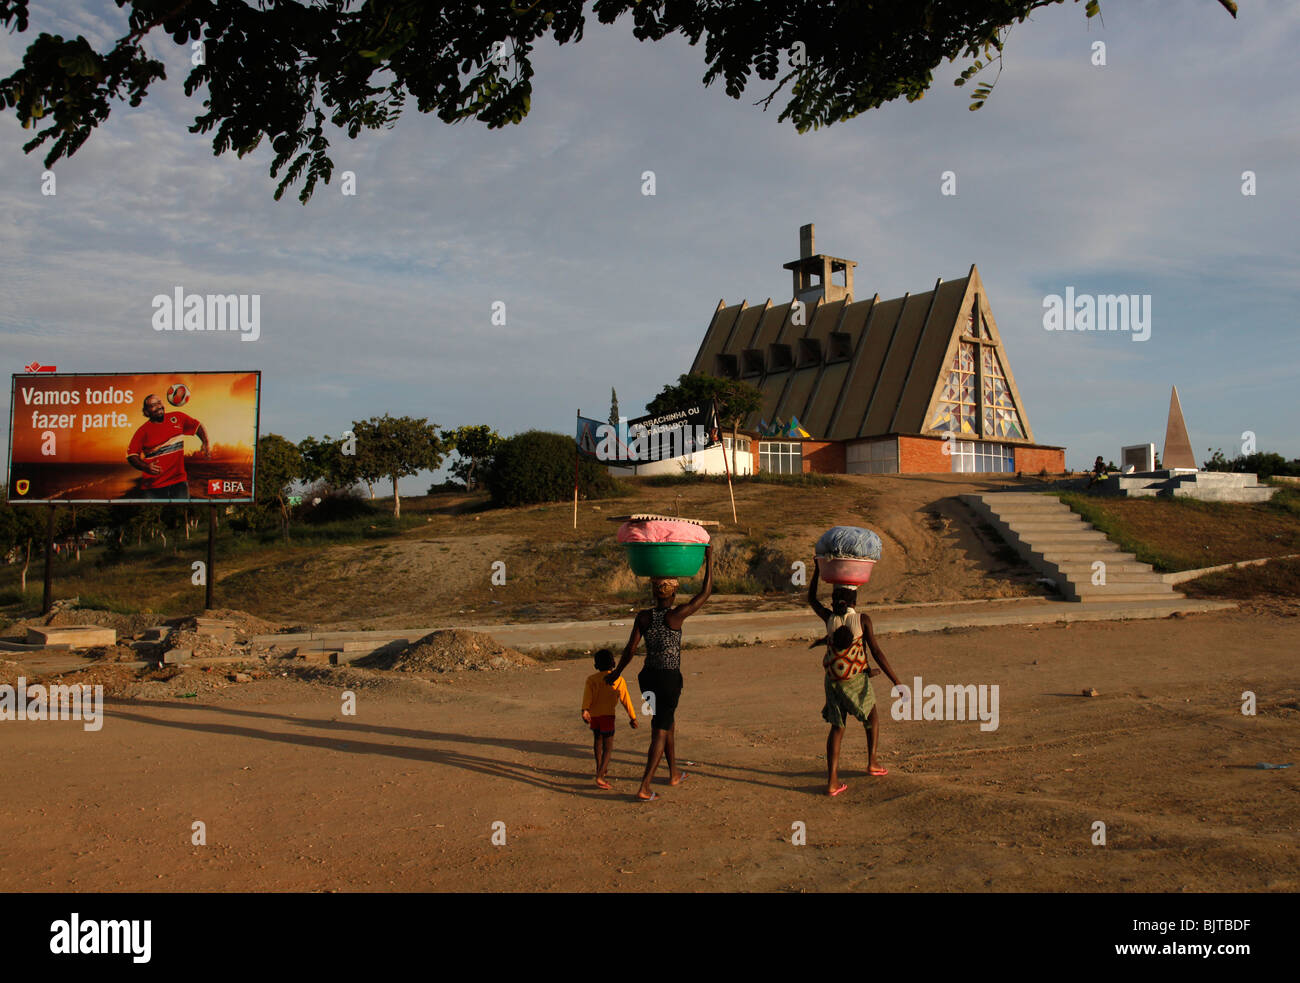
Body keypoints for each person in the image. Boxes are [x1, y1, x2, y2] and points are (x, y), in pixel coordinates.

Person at [607, 543, 713, 801]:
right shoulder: (675, 616)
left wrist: (617, 672)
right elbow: (705, 593)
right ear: (673, 593)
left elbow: (631, 649)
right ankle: (644, 785)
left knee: (667, 721)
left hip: (648, 678)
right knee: (660, 729)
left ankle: (674, 773)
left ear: (654, 592)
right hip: (668, 679)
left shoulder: (643, 617)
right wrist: (709, 560)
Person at [807, 561, 901, 797]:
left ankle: (832, 782)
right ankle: (872, 761)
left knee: (837, 728)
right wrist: (896, 681)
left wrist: (817, 570)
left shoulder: (829, 619)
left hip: (833, 682)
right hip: (855, 681)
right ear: (854, 602)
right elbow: (877, 652)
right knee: (873, 718)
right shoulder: (863, 620)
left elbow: (811, 600)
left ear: (835, 600)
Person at [126, 394, 209, 500]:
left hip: (179, 482)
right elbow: (131, 455)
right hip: (153, 486)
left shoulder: (178, 417)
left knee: (181, 514)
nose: (158, 406)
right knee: (152, 516)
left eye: (159, 403)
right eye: (153, 405)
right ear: (146, 412)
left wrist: (205, 442)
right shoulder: (142, 431)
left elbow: (197, 426)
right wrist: (146, 467)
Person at [581, 649, 638, 789]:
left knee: (597, 741)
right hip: (608, 716)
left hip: (594, 716)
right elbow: (626, 700)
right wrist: (633, 717)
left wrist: (585, 710)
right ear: (614, 663)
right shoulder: (618, 679)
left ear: (595, 666)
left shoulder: (591, 679)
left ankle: (600, 768)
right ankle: (600, 776)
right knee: (608, 746)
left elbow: (587, 697)